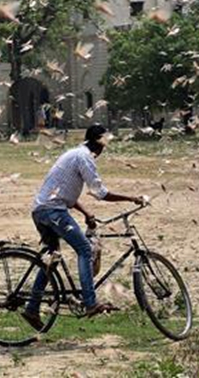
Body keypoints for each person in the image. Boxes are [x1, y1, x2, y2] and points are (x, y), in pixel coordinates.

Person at [22, 124, 147, 330]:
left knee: (52, 257)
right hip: (53, 211)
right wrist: (131, 198)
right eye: (105, 141)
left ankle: (32, 308)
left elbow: (64, 191)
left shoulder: (74, 154)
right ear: (99, 141)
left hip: (41, 210)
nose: (106, 146)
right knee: (85, 249)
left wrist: (86, 213)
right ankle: (90, 302)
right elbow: (100, 192)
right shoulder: (85, 158)